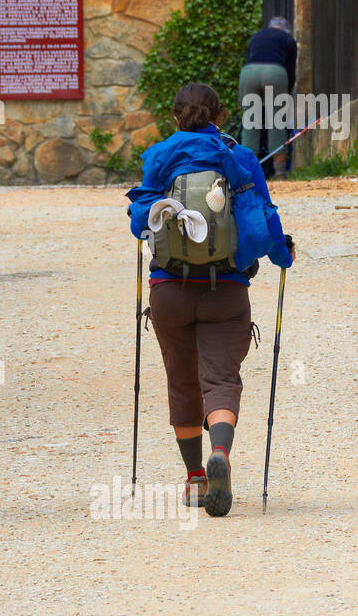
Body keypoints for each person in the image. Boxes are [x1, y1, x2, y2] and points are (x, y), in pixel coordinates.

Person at [126, 83, 295, 517]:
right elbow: (264, 218)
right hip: (227, 290)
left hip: (170, 290)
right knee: (221, 380)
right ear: (219, 115)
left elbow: (139, 225)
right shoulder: (238, 158)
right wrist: (284, 254)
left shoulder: (161, 155)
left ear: (175, 117)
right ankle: (221, 451)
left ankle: (196, 478)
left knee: (182, 381)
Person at [239, 17, 298, 179]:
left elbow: (249, 58)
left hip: (249, 72)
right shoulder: (288, 40)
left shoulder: (256, 36)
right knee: (277, 121)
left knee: (250, 121)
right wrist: (286, 93)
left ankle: (248, 173)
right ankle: (279, 172)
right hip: (275, 72)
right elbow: (290, 70)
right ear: (285, 29)